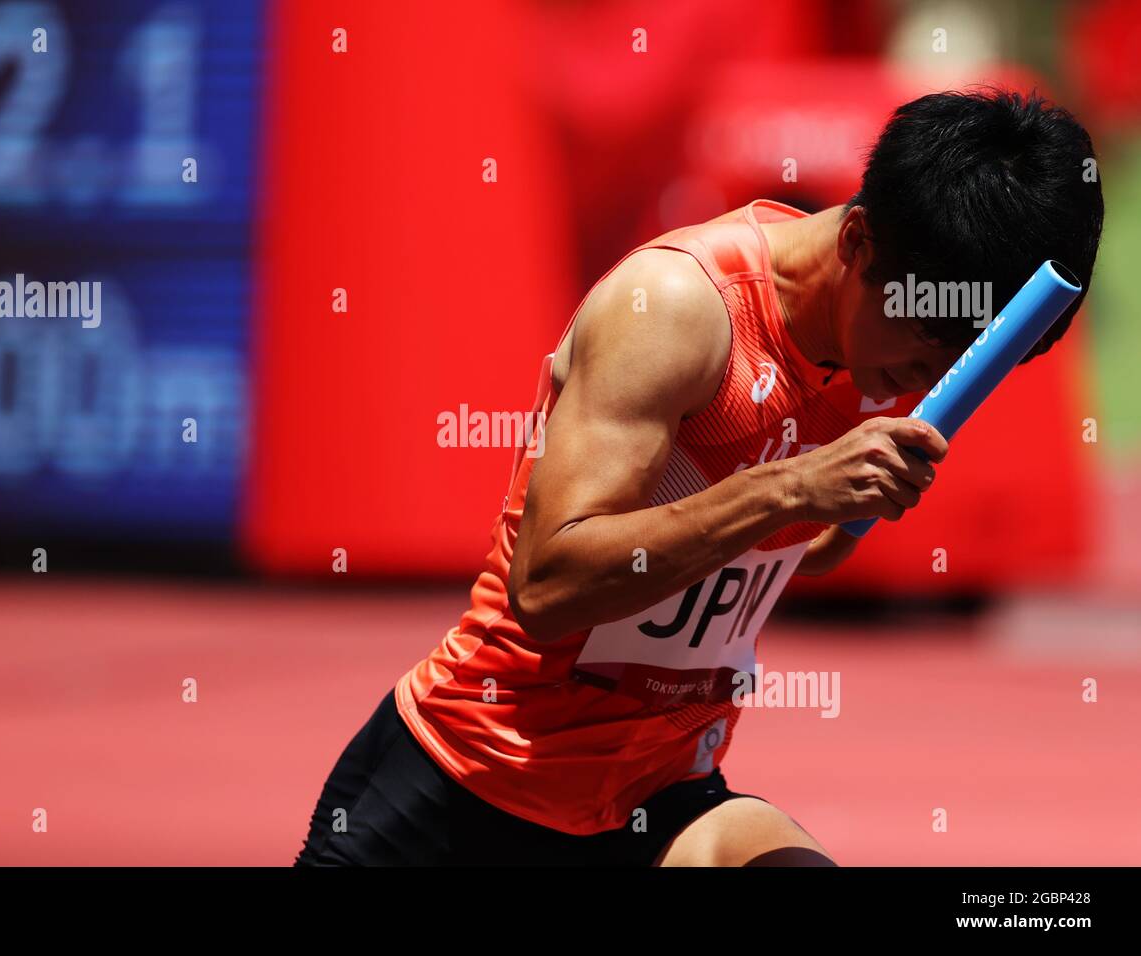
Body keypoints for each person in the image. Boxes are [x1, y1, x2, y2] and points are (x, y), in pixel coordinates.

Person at [295, 89, 1104, 866]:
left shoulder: (879, 346)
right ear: (857, 240)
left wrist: (836, 509)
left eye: (954, 361)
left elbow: (798, 550)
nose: (916, 381)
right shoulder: (678, 309)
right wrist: (792, 487)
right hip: (467, 790)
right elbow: (547, 586)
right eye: (921, 342)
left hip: (660, 802)